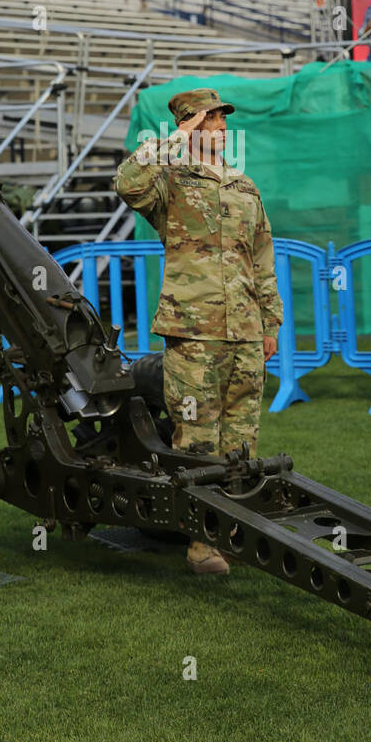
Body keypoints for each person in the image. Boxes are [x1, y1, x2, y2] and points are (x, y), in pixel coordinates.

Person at [113, 87, 283, 575]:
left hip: (245, 331)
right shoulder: (167, 183)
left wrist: (270, 321)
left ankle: (235, 529)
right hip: (193, 332)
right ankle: (201, 543)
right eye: (210, 121)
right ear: (189, 125)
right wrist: (172, 140)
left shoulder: (245, 187)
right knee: (198, 438)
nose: (221, 129)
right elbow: (125, 183)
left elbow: (262, 258)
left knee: (242, 436)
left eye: (222, 121)